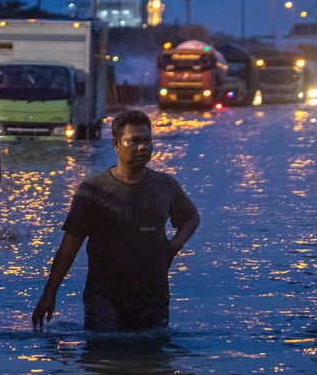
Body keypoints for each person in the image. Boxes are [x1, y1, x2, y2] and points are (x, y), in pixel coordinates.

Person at [32, 110, 200, 332]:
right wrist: (49, 292)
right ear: (116, 144)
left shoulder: (165, 186)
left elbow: (191, 217)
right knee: (106, 359)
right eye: (134, 141)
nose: (143, 147)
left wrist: (172, 247)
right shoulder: (93, 190)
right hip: (105, 299)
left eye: (147, 140)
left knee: (153, 362)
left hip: (153, 298)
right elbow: (70, 245)